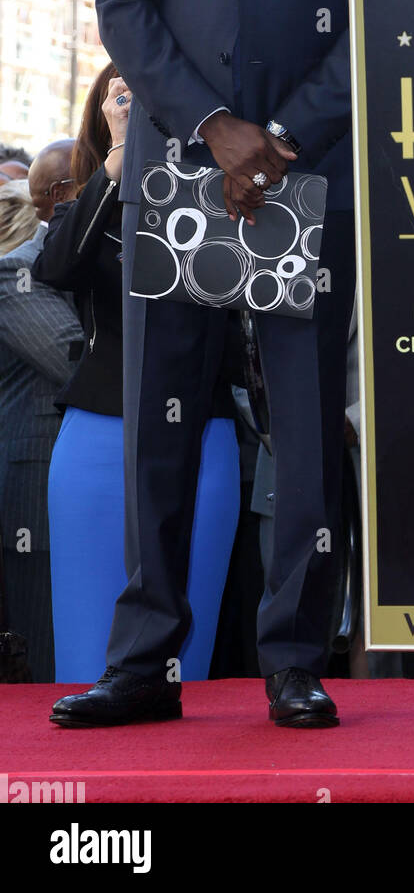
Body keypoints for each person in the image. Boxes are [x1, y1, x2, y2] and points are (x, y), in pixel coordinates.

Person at [50, 0, 397, 730]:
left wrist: (281, 136)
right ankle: (144, 659)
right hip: (177, 177)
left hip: (305, 174)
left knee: (301, 428)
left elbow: (375, 6)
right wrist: (210, 127)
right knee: (162, 418)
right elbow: (125, 6)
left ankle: (294, 655)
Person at [34, 64, 240, 683]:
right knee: (85, 652)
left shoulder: (221, 197)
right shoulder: (89, 199)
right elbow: (56, 268)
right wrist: (123, 153)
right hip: (98, 432)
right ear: (103, 110)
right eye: (125, 94)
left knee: (186, 645)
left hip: (203, 433)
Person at [0, 163, 83, 681]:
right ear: (60, 194)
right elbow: (74, 362)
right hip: (37, 487)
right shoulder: (17, 273)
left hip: (85, 482)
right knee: (45, 657)